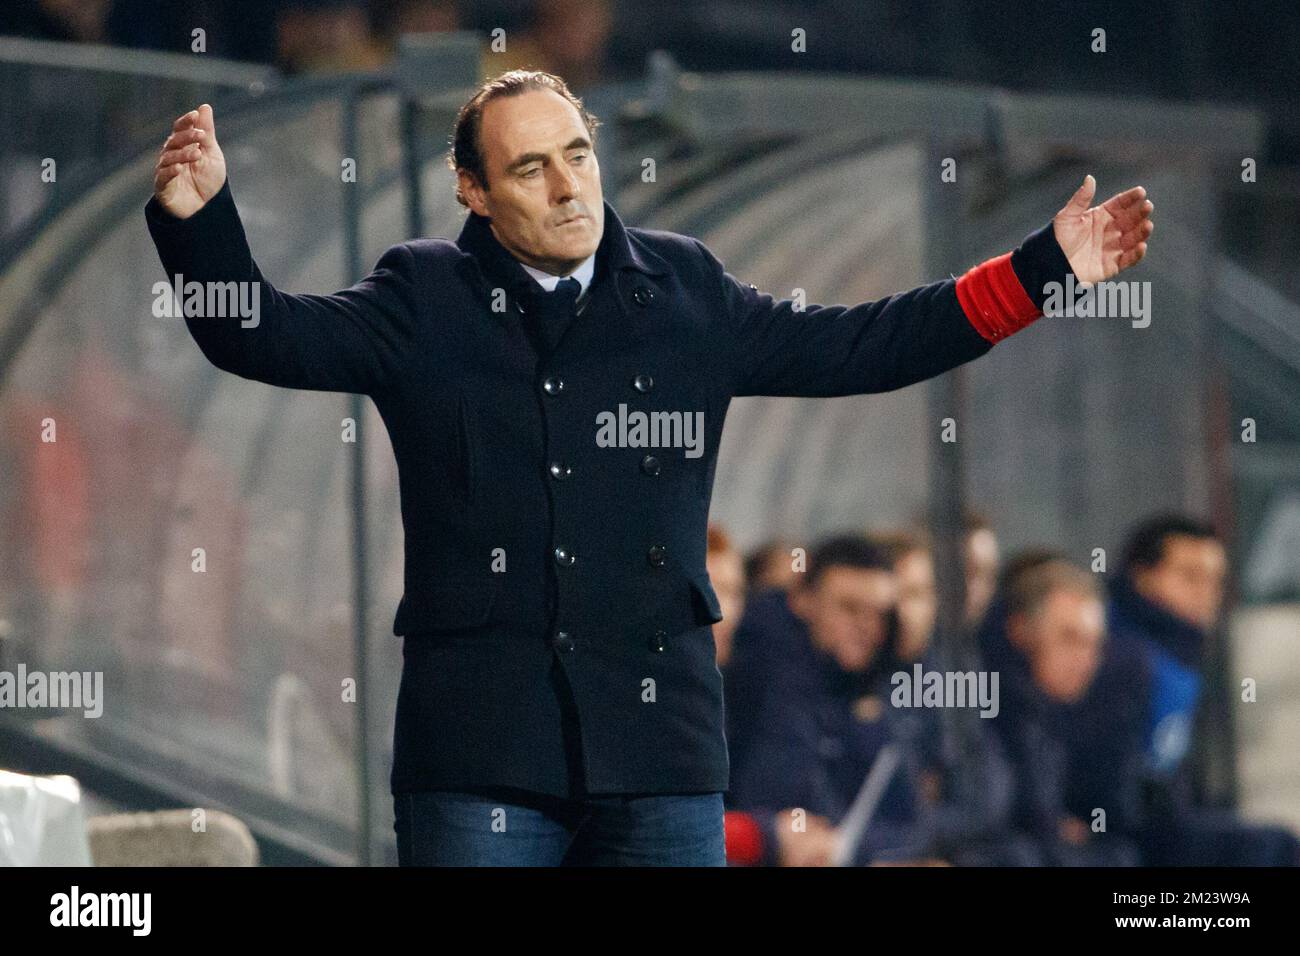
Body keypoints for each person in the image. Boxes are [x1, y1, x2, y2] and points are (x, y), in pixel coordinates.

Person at [145, 69, 1154, 866]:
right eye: (532, 166)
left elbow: (865, 345)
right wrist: (201, 227)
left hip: (662, 752)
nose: (568, 182)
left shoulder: (686, 291)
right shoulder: (424, 298)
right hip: (480, 753)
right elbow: (263, 336)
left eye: (578, 154)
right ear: (474, 189)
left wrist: (1044, 271)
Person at [725, 535, 931, 866]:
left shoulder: (874, 691)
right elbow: (794, 806)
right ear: (803, 600)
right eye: (849, 608)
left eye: (879, 614)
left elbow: (910, 818)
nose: (866, 627)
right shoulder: (766, 675)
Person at [1109, 515, 1298, 865]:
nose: (1205, 592)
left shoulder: (1182, 650)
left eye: (1215, 580)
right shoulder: (1117, 651)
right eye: (1189, 576)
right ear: (1142, 575)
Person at [980, 557, 1144, 866]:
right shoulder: (992, 707)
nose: (1085, 660)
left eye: (1094, 644)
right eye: (1069, 638)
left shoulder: (1061, 712)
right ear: (1020, 631)